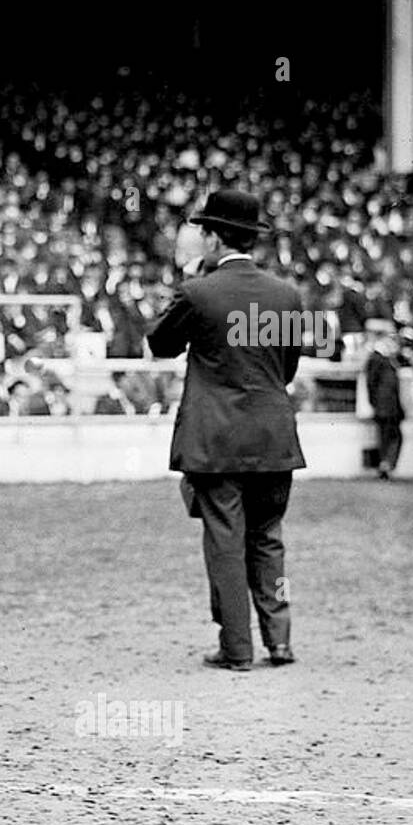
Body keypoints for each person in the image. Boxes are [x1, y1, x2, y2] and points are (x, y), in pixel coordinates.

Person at [147, 189, 306, 671]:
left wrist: (189, 282)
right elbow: (287, 369)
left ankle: (237, 649)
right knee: (268, 539)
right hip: (274, 437)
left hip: (216, 441)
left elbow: (160, 344)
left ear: (215, 238)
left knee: (225, 543)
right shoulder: (286, 295)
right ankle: (279, 642)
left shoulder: (199, 292)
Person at [362, 320, 404, 479]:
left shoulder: (384, 358)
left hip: (388, 405)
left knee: (388, 436)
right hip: (386, 405)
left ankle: (385, 464)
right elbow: (371, 383)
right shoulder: (377, 359)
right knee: (389, 436)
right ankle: (386, 464)